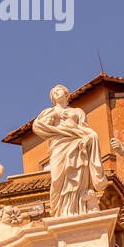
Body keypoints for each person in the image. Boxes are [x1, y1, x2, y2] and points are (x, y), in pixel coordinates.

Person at [31, 85, 102, 217]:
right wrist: (54, 114)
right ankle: (58, 210)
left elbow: (85, 129)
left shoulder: (78, 112)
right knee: (57, 178)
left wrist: (89, 138)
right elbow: (38, 127)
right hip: (59, 146)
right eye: (53, 92)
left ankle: (78, 207)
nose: (55, 92)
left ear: (66, 93)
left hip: (76, 145)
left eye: (58, 90)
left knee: (77, 176)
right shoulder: (49, 112)